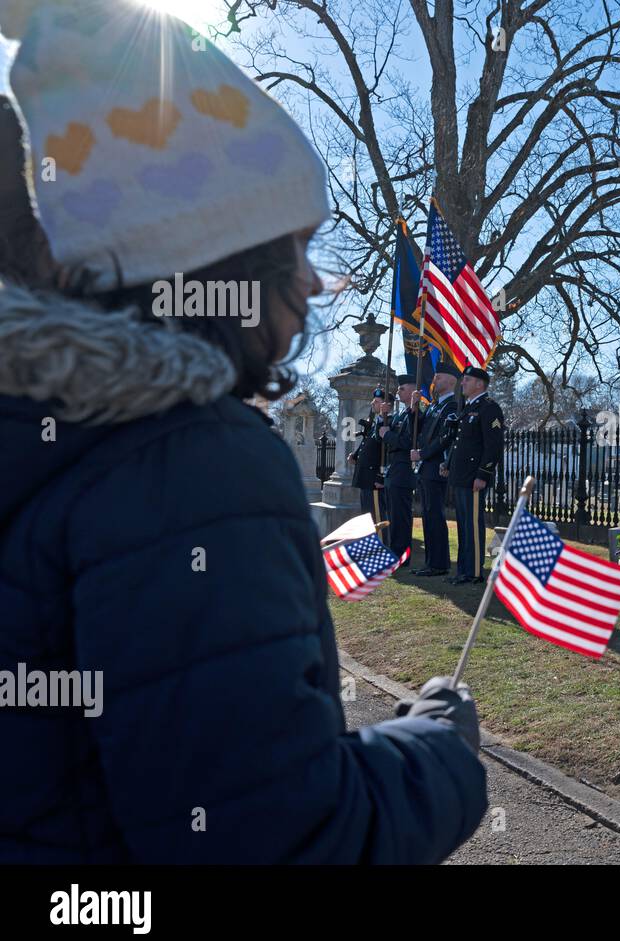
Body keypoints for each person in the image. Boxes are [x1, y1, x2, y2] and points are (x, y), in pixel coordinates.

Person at [0, 0, 486, 862]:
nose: (312, 281)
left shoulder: (44, 422)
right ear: (224, 261)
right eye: (291, 245)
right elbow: (281, 840)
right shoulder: (192, 461)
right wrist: (441, 751)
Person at [446, 367, 504, 584]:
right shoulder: (469, 408)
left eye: (467, 380)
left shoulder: (489, 408)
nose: (463, 383)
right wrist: (449, 463)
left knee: (472, 524)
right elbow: (461, 442)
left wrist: (484, 474)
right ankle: (463, 569)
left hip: (474, 479)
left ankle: (474, 572)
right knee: (463, 524)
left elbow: (493, 446)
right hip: (462, 477)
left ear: (480, 384)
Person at [413, 362, 461, 577]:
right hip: (426, 469)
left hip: (435, 467)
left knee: (435, 516)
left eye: (439, 377)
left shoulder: (451, 406)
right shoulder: (434, 406)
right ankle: (431, 562)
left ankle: (439, 564)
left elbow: (444, 438)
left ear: (451, 380)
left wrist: (422, 454)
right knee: (427, 516)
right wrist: (415, 408)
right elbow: (421, 429)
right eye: (435, 377)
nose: (434, 380)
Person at [380, 375, 421, 568]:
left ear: (413, 390)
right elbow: (383, 437)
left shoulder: (414, 415)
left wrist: (388, 434)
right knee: (393, 515)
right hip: (393, 470)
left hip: (403, 471)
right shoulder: (399, 415)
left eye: (402, 388)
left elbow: (407, 443)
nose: (398, 391)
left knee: (401, 517)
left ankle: (401, 555)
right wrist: (383, 418)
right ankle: (394, 551)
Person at [349, 389, 391, 533]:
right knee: (367, 518)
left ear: (387, 405)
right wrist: (355, 456)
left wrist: (381, 476)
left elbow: (386, 452)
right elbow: (368, 443)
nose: (373, 402)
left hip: (374, 480)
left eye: (377, 401)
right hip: (366, 478)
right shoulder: (376, 423)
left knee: (377, 519)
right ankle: (372, 548)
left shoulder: (388, 423)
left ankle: (381, 549)